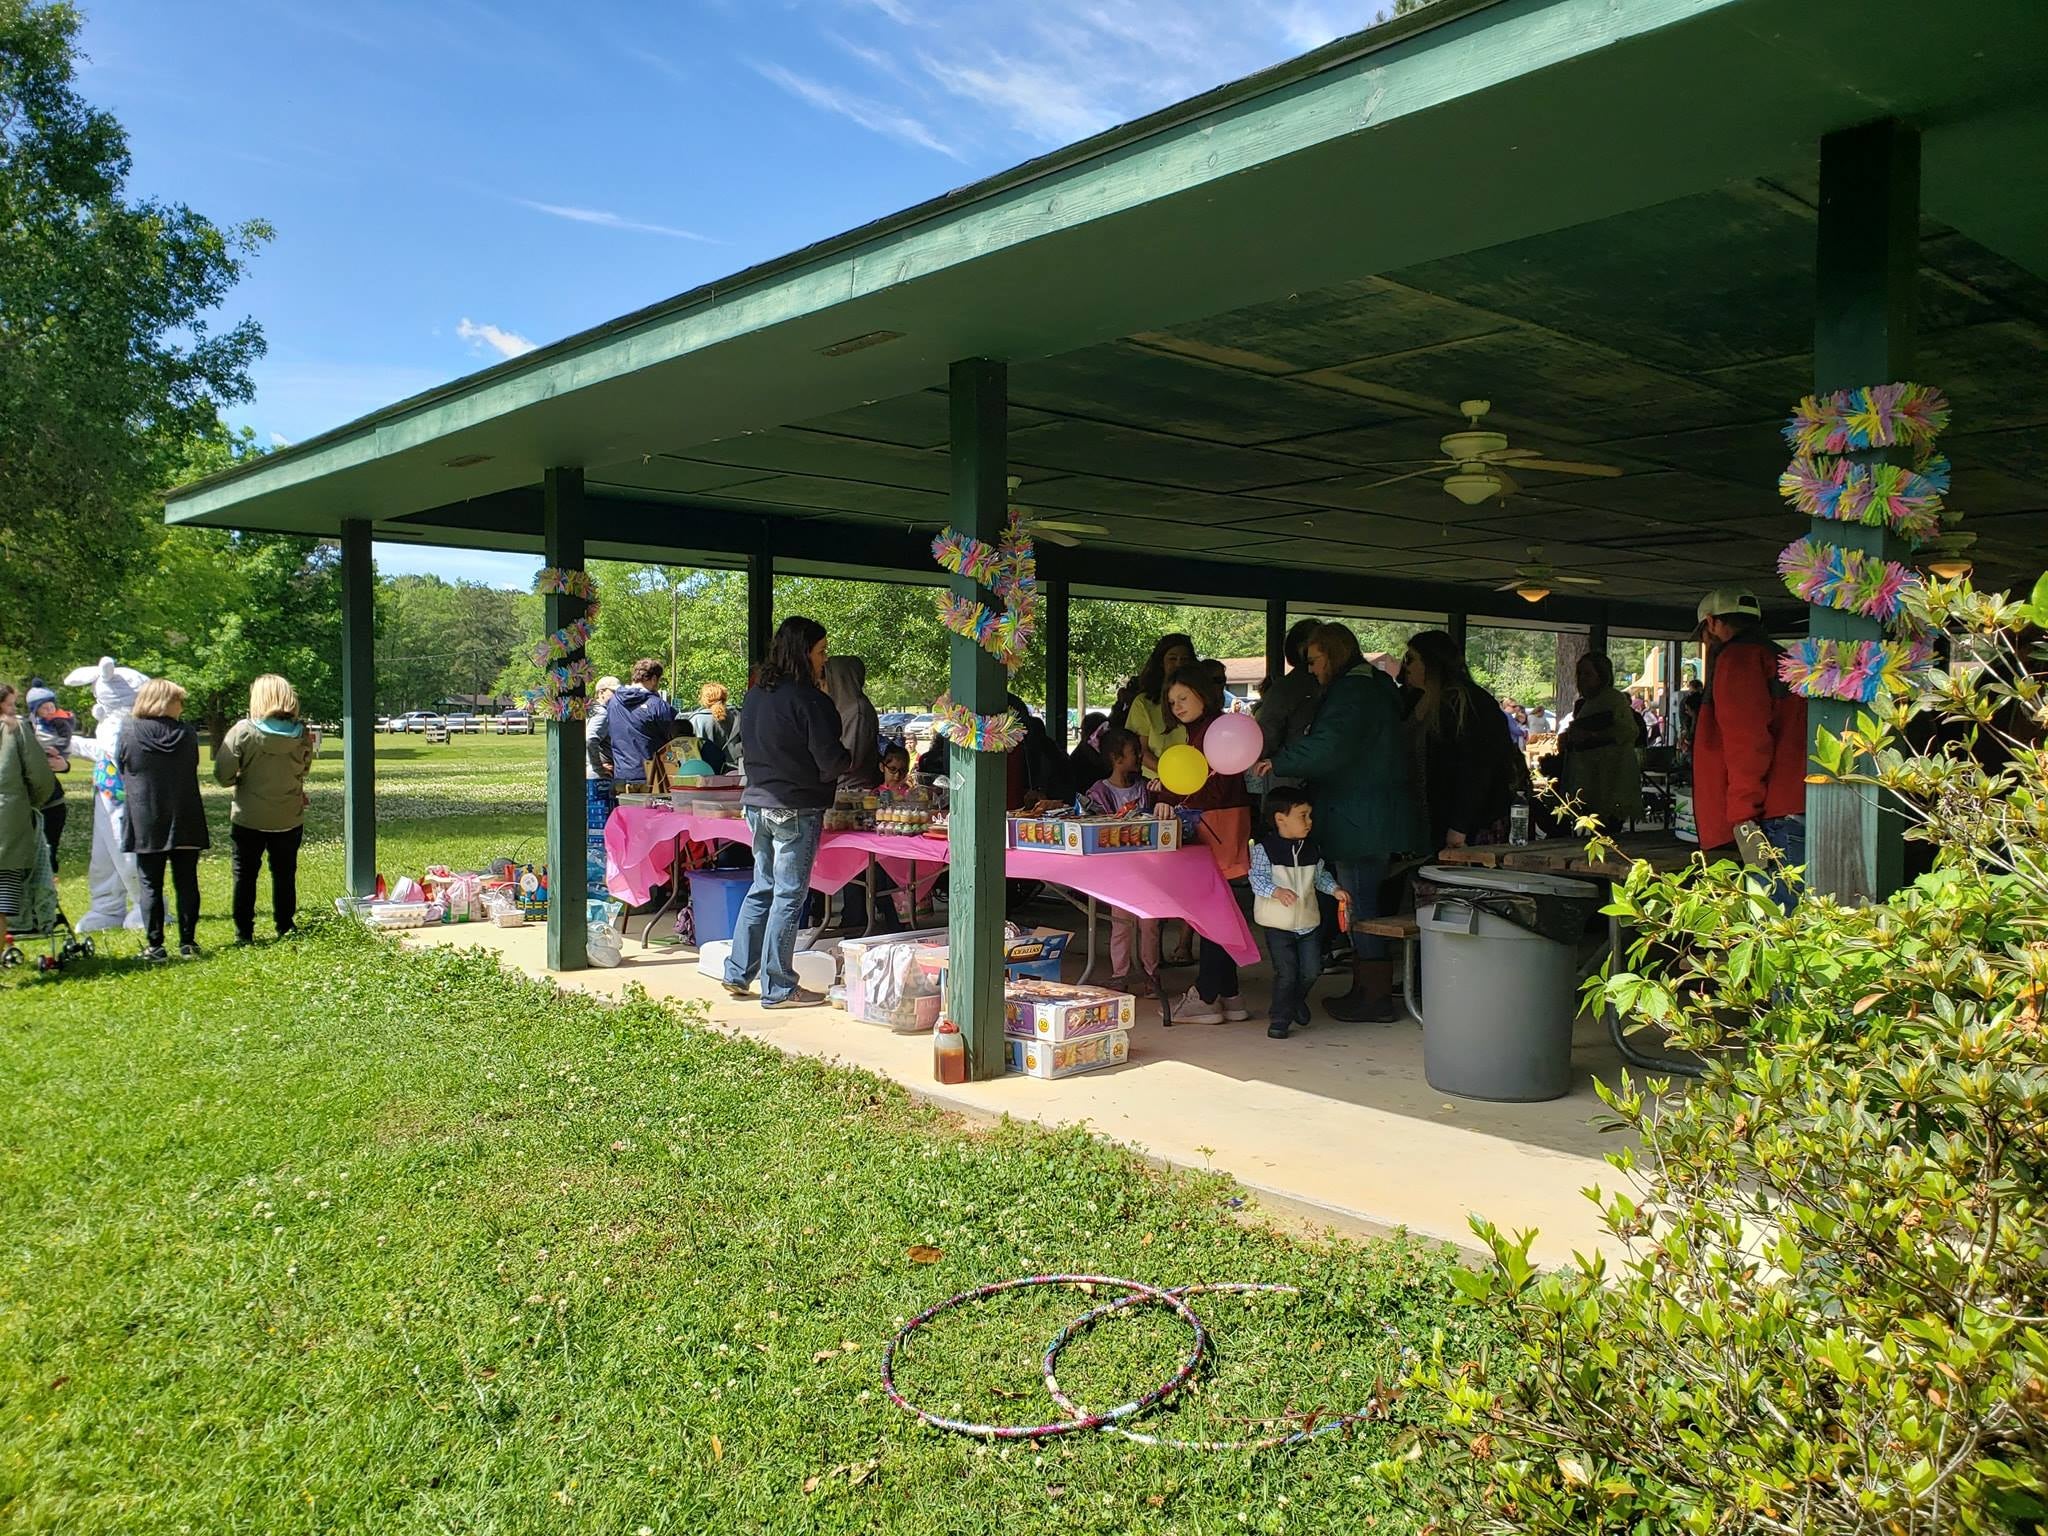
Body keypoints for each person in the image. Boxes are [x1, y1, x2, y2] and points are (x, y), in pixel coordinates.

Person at [1253, 623, 1420, 1023]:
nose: (1310, 669)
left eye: (1314, 660)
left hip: (1357, 817)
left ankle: (1373, 998)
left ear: (1333, 653)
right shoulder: (1377, 686)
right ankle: (1368, 990)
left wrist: (1282, 761)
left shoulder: (1352, 692)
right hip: (1375, 812)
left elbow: (1330, 745)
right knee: (1364, 901)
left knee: (1359, 905)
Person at [724, 617, 848, 1007]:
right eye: (821, 652)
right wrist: (851, 756)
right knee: (789, 896)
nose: (824, 661)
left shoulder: (757, 694)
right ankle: (778, 985)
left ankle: (738, 971)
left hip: (758, 803)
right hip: (796, 805)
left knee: (763, 888)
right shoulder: (811, 700)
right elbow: (830, 762)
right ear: (803, 653)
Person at [1147, 665, 1251, 1024]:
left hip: (1217, 829)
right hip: (1227, 826)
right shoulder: (1205, 731)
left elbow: (1210, 787)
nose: (1177, 706)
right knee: (1220, 911)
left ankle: (1206, 995)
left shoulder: (1212, 732)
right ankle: (1230, 995)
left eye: (1183, 698)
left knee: (1212, 915)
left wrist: (1173, 793)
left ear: (1202, 695)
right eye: (1172, 700)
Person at [1691, 588, 1805, 902]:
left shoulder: (1739, 659)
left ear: (1712, 624)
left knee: (1777, 925)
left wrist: (1742, 817)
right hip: (1798, 805)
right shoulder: (1782, 658)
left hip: (1771, 814)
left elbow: (1747, 742)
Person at [213, 673, 315, 945]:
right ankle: (285, 925)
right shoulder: (302, 734)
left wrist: (240, 781)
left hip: (249, 816)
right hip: (288, 816)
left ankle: (244, 932)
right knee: (284, 873)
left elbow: (222, 774)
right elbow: (304, 770)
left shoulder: (243, 731)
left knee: (244, 874)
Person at [1401, 630, 1520, 851]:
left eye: (1410, 658)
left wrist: (1459, 826)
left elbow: (1477, 768)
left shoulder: (1465, 704)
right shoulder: (1422, 700)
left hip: (1466, 826)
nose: (1405, 665)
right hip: (1433, 818)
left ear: (1431, 662)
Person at [119, 678, 209, 961]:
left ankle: (155, 945)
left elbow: (122, 765)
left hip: (146, 816)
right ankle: (188, 942)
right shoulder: (187, 734)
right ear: (166, 702)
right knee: (186, 881)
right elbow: (191, 764)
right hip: (185, 813)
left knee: (150, 883)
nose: (182, 706)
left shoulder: (129, 731)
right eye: (178, 700)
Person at [1252, 788, 1350, 1040]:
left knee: (1311, 970)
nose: (1309, 822)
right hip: (1277, 924)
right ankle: (1280, 1019)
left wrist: (1335, 889)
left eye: (1309, 815)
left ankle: (1294, 1001)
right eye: (1303, 815)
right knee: (1286, 972)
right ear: (1280, 819)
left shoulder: (1312, 848)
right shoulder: (1265, 849)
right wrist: (1276, 891)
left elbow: (1319, 877)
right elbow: (1257, 879)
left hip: (1308, 922)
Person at [64, 657, 150, 933]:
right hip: (106, 794)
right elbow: (103, 752)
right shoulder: (111, 722)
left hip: (124, 797)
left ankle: (146, 904)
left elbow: (111, 752)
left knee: (126, 852)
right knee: (102, 857)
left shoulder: (129, 725)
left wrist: (71, 744)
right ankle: (106, 906)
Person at [1081, 726, 1160, 991]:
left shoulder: (1145, 789)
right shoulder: (1098, 792)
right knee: (1121, 924)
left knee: (1150, 924)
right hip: (1117, 873)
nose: (1139, 757)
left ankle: (1151, 974)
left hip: (1146, 869)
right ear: (1116, 758)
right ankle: (1120, 975)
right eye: (1134, 753)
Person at [1554, 652, 1644, 834]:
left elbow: (1629, 731)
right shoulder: (1584, 703)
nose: (1582, 679)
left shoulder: (1613, 699)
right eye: (1579, 674)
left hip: (1610, 776)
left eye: (1588, 674)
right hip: (1586, 774)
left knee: (1607, 830)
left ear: (1602, 676)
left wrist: (1593, 735)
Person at [0, 687, 60, 929]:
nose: (15, 710)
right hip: (8, 821)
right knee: (3, 900)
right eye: (11, 704)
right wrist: (29, 804)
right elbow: (41, 779)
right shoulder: (15, 729)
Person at [1254, 619, 1324, 787]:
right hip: (1297, 772)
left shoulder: (1286, 687)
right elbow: (1269, 731)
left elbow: (1267, 731)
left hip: (1289, 770)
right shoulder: (1289, 687)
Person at [597, 658, 684, 788]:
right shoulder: (658, 706)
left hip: (621, 777)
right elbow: (676, 740)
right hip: (653, 779)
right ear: (654, 679)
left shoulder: (613, 702)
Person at [1119, 633, 1195, 776]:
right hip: (1156, 783)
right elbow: (1140, 750)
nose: (1179, 664)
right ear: (1161, 662)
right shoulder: (1144, 702)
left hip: (1196, 779)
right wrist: (1171, 775)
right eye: (1172, 659)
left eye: (1184, 659)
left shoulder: (1200, 700)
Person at [23, 684, 73, 873]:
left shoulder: (45, 725)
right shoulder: (19, 730)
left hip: (52, 802)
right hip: (23, 806)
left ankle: (48, 896)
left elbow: (63, 753)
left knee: (49, 855)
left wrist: (64, 765)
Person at [822, 656, 881, 792]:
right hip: (840, 787)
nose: (821, 685)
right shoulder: (841, 708)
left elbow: (848, 761)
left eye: (825, 680)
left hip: (853, 791)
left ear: (838, 681)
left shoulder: (857, 711)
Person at [691, 681, 741, 777]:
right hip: (733, 772)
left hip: (706, 773)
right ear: (724, 697)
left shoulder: (697, 720)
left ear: (704, 699)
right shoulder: (737, 716)